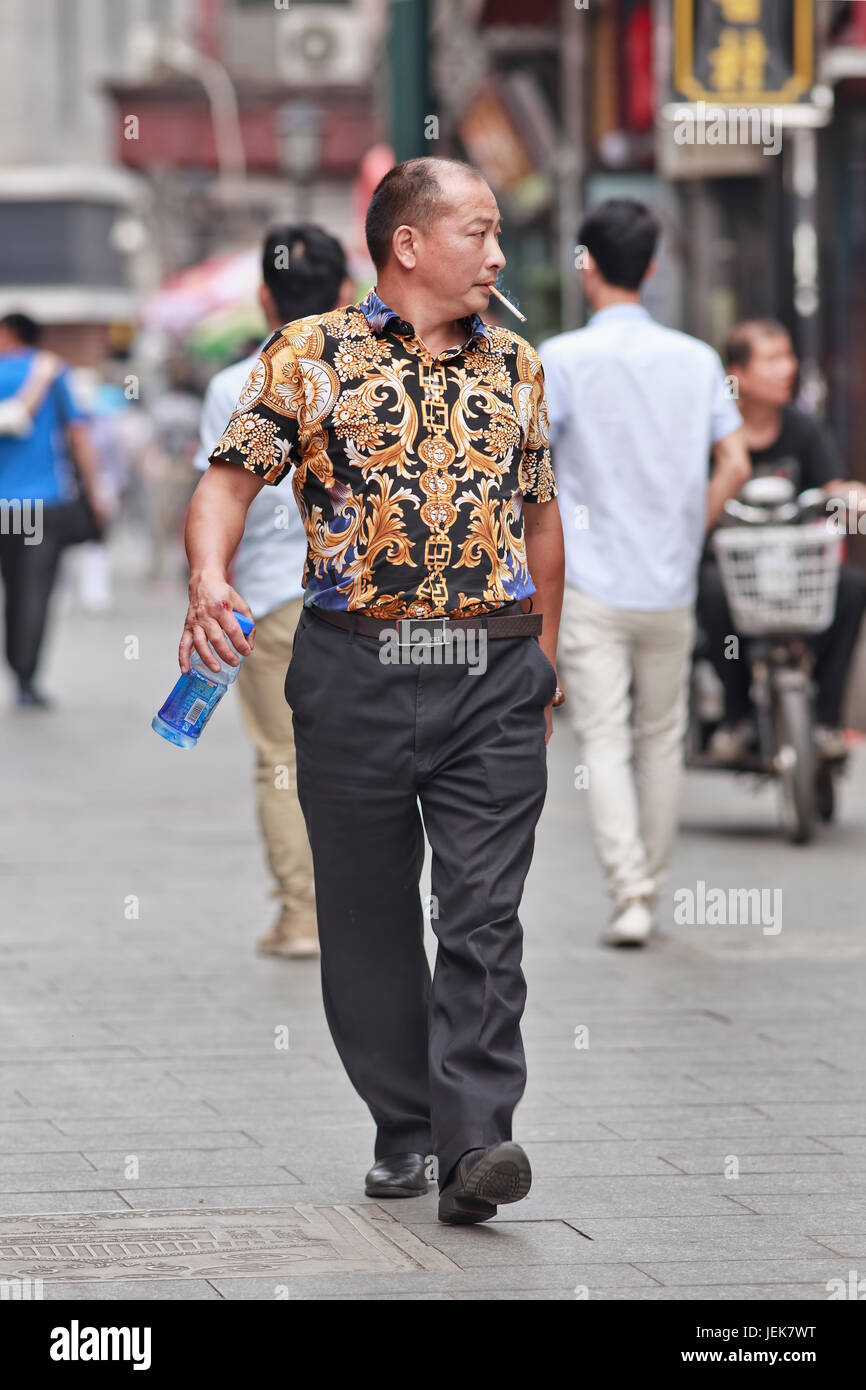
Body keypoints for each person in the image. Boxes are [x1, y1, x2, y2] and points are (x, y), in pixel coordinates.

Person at [178, 157, 564, 1224]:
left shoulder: (517, 366)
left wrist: (545, 654)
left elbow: (539, 514)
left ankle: (478, 1136)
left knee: (483, 909)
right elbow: (224, 483)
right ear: (408, 243)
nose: (497, 255)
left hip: (489, 664)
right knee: (365, 913)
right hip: (353, 664)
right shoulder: (308, 354)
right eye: (477, 233)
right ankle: (405, 1126)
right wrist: (210, 576)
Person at [540, 199, 751, 948]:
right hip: (671, 582)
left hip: (591, 582)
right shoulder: (697, 360)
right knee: (663, 735)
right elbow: (736, 461)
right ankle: (649, 886)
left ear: (585, 266)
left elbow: (529, 469)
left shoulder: (558, 359)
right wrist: (691, 521)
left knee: (603, 737)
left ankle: (628, 889)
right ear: (654, 269)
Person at [195, 223, 354, 958]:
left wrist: (208, 589)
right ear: (348, 294)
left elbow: (219, 497)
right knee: (367, 755)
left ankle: (301, 916)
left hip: (269, 597)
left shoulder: (235, 383)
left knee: (282, 756)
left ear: (264, 295)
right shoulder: (371, 370)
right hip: (362, 599)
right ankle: (367, 912)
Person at [698, 320, 866, 763]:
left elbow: (832, 485)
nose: (786, 368)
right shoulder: (714, 430)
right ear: (739, 373)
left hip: (796, 566)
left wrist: (850, 495)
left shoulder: (804, 429)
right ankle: (736, 718)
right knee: (711, 591)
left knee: (850, 587)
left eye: (788, 357)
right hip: (735, 569)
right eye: (771, 360)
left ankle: (827, 719)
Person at [0, 313, 106, 707]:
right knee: (32, 592)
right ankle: (24, 679)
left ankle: (18, 668)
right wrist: (96, 496)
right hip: (37, 506)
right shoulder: (53, 371)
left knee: (12, 588)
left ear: (8, 332)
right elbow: (78, 436)